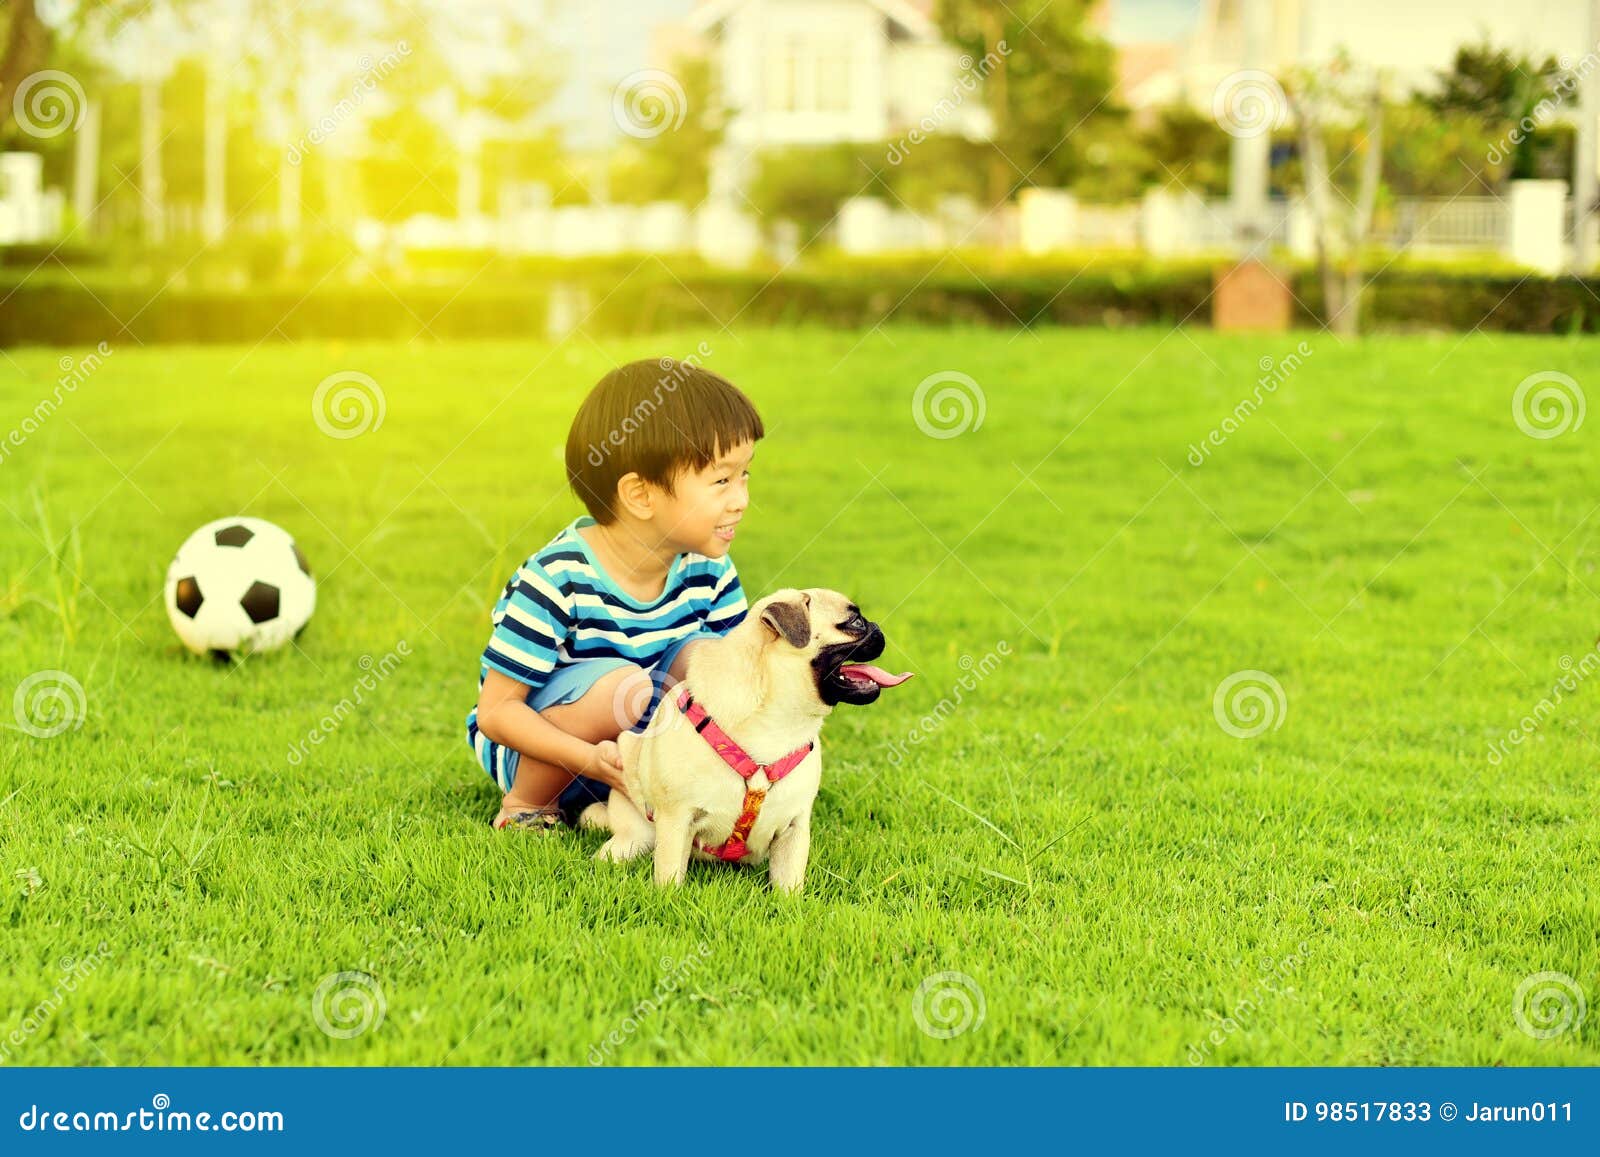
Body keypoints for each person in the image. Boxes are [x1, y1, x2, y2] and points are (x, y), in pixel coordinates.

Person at [465, 356, 761, 830]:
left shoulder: (710, 569)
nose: (741, 498)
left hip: (638, 757)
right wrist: (587, 758)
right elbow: (496, 713)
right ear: (641, 496)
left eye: (745, 474)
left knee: (714, 657)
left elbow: (743, 681)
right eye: (722, 480)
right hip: (544, 753)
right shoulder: (559, 578)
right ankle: (525, 809)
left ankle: (666, 798)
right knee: (626, 688)